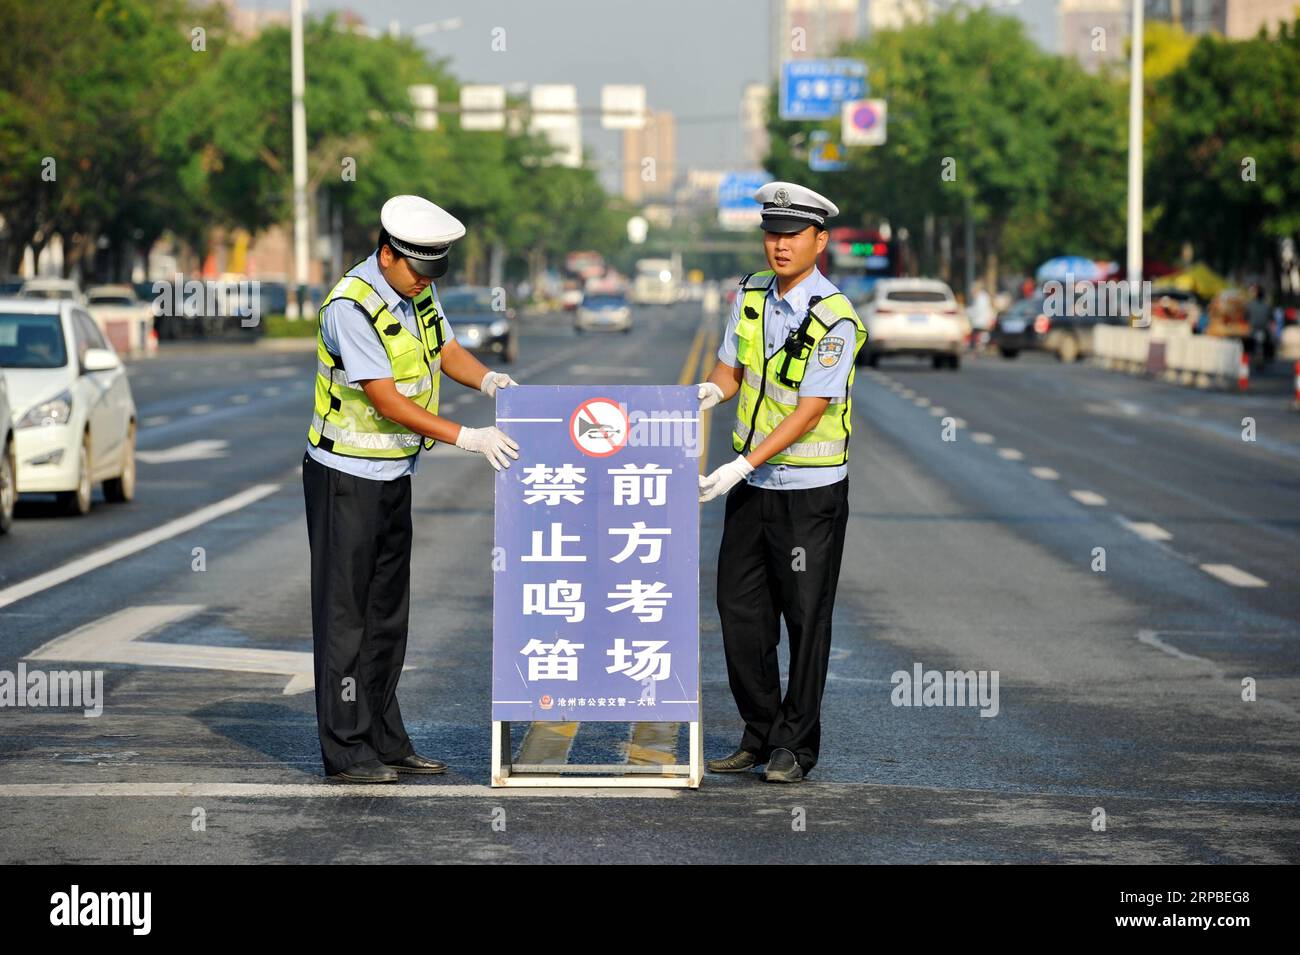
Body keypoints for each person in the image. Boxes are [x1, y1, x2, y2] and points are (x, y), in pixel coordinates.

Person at [302, 194, 521, 783]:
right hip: (345, 477)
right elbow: (385, 399)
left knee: (386, 617)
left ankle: (384, 737)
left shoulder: (417, 293)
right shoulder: (352, 305)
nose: (427, 283)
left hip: (393, 477)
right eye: (418, 271)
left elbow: (446, 350)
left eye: (434, 272)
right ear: (387, 253)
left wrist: (490, 381)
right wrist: (466, 437)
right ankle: (345, 749)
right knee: (345, 618)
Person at [694, 181, 866, 783]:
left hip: (809, 492)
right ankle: (760, 731)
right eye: (772, 233)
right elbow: (732, 367)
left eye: (793, 235)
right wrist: (708, 392)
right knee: (739, 611)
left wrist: (741, 461)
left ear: (820, 240)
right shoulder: (750, 294)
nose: (780, 245)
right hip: (753, 488)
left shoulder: (836, 318)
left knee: (804, 617)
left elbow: (809, 410)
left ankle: (796, 745)